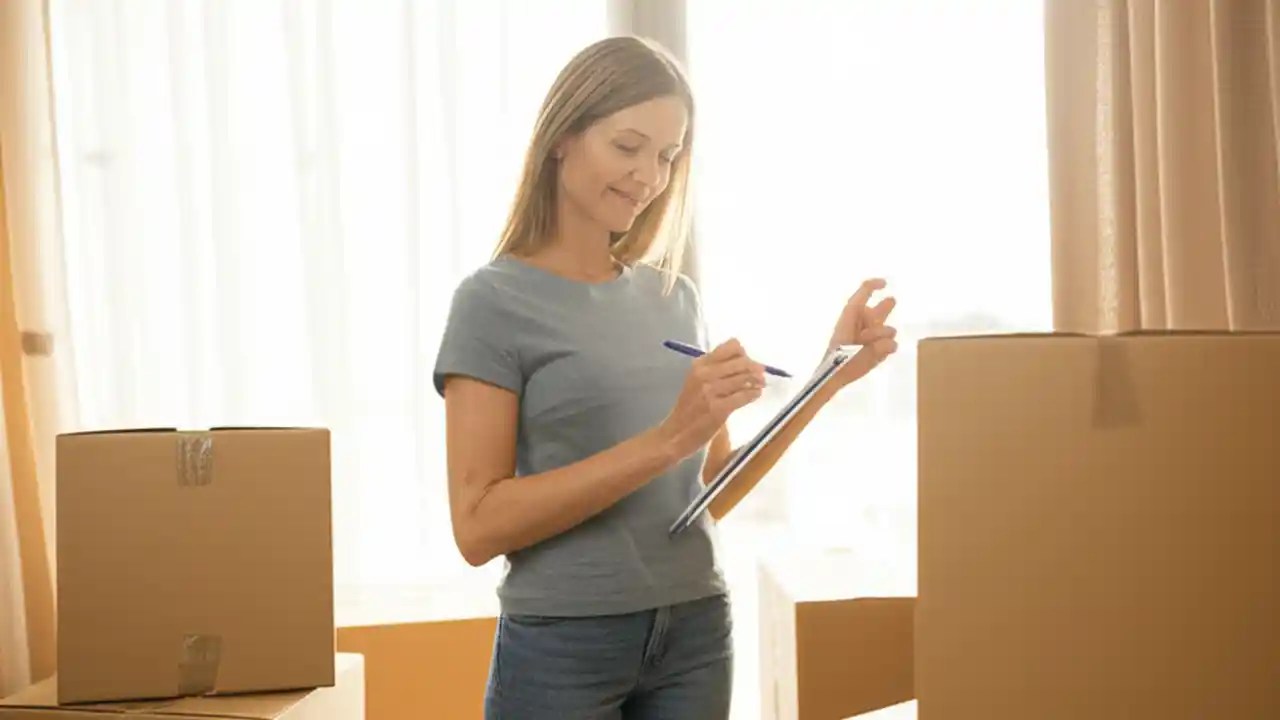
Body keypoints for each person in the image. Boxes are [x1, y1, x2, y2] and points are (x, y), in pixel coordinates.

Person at [433, 35, 898, 720]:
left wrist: (831, 373)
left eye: (667, 156)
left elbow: (714, 490)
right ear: (562, 137)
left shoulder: (673, 298)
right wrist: (668, 438)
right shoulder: (492, 302)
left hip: (696, 631)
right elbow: (476, 528)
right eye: (628, 147)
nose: (649, 176)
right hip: (563, 644)